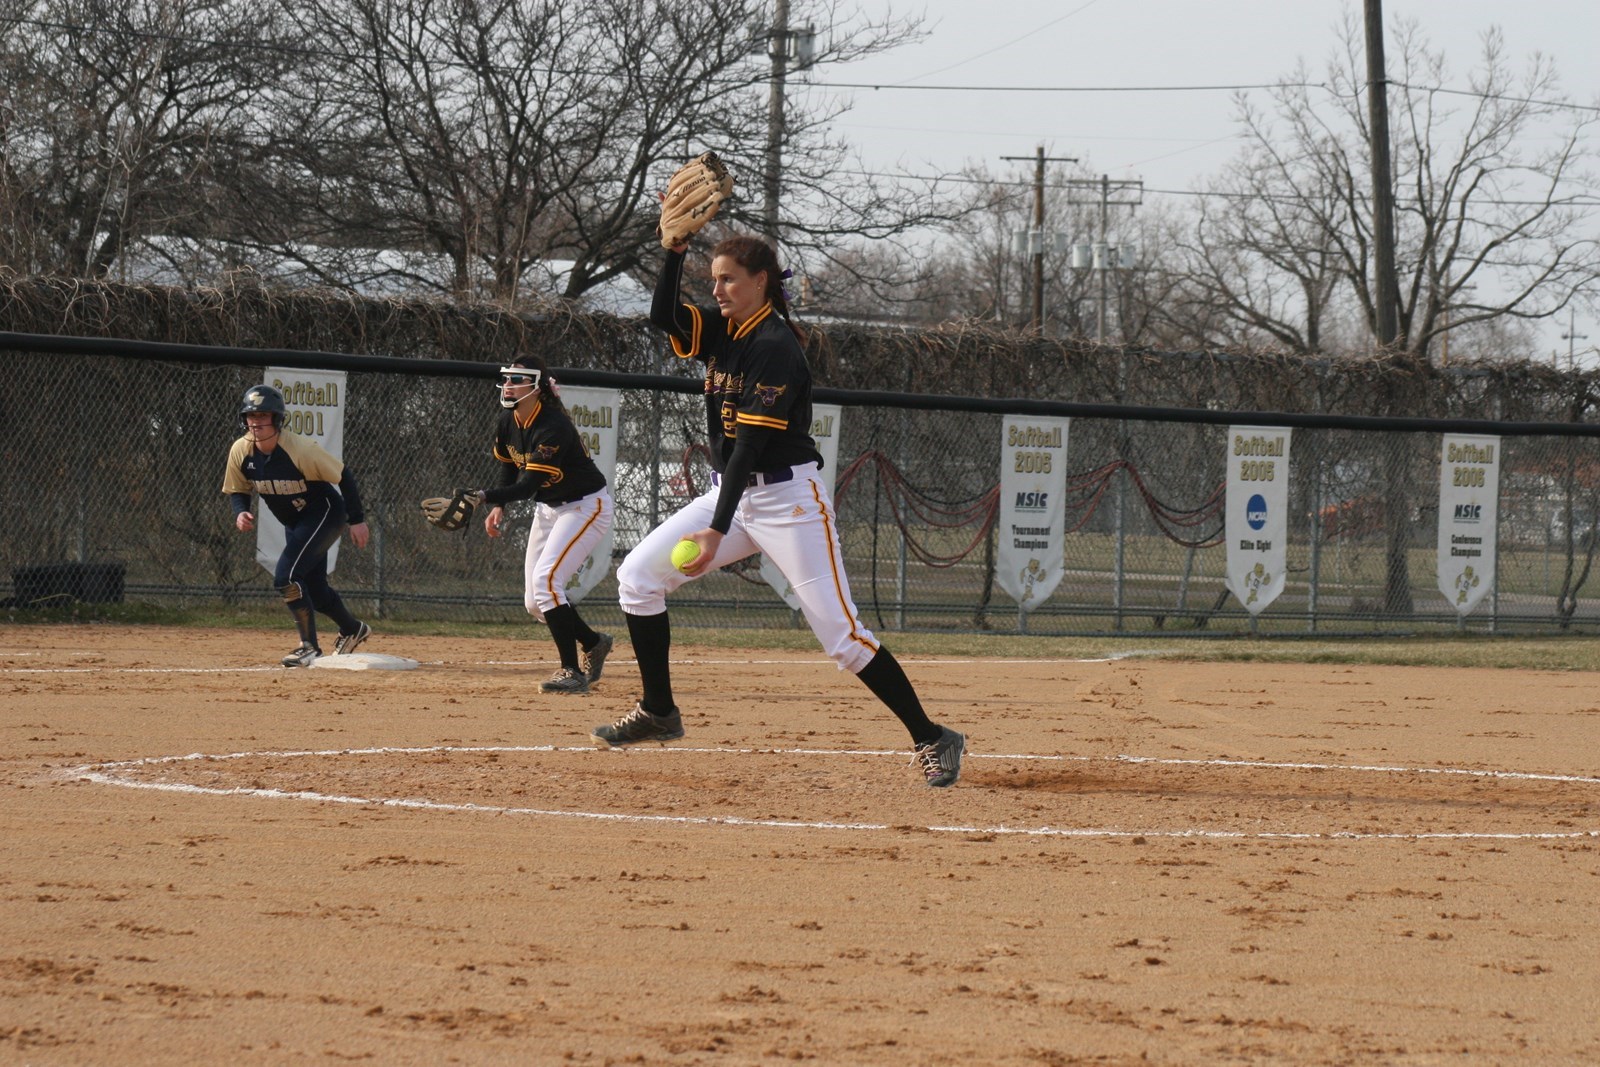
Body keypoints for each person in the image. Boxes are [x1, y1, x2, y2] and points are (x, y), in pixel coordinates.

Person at [591, 234, 966, 787]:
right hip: (733, 493)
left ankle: (933, 737)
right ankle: (659, 710)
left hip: (789, 502)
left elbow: (749, 447)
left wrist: (717, 531)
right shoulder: (726, 329)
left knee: (843, 637)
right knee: (637, 579)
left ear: (760, 281)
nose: (716, 289)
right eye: (712, 278)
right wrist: (671, 251)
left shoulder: (774, 345)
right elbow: (663, 316)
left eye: (728, 279)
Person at [461, 357, 615, 694]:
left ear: (538, 386)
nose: (508, 385)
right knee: (535, 602)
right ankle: (593, 642)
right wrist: (497, 504)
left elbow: (527, 486)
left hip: (585, 506)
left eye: (517, 379)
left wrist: (483, 496)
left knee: (547, 581)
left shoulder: (552, 425)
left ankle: (571, 672)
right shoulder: (508, 420)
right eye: (506, 379)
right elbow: (509, 466)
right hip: (550, 509)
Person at [223, 383, 371, 667]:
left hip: (325, 514)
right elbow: (237, 489)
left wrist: (357, 520)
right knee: (314, 592)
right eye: (251, 416)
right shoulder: (241, 451)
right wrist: (240, 511)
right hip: (296, 522)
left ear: (278, 420)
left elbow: (343, 475)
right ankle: (352, 629)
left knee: (286, 577)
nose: (256, 422)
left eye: (264, 416)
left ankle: (308, 647)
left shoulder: (300, 449)